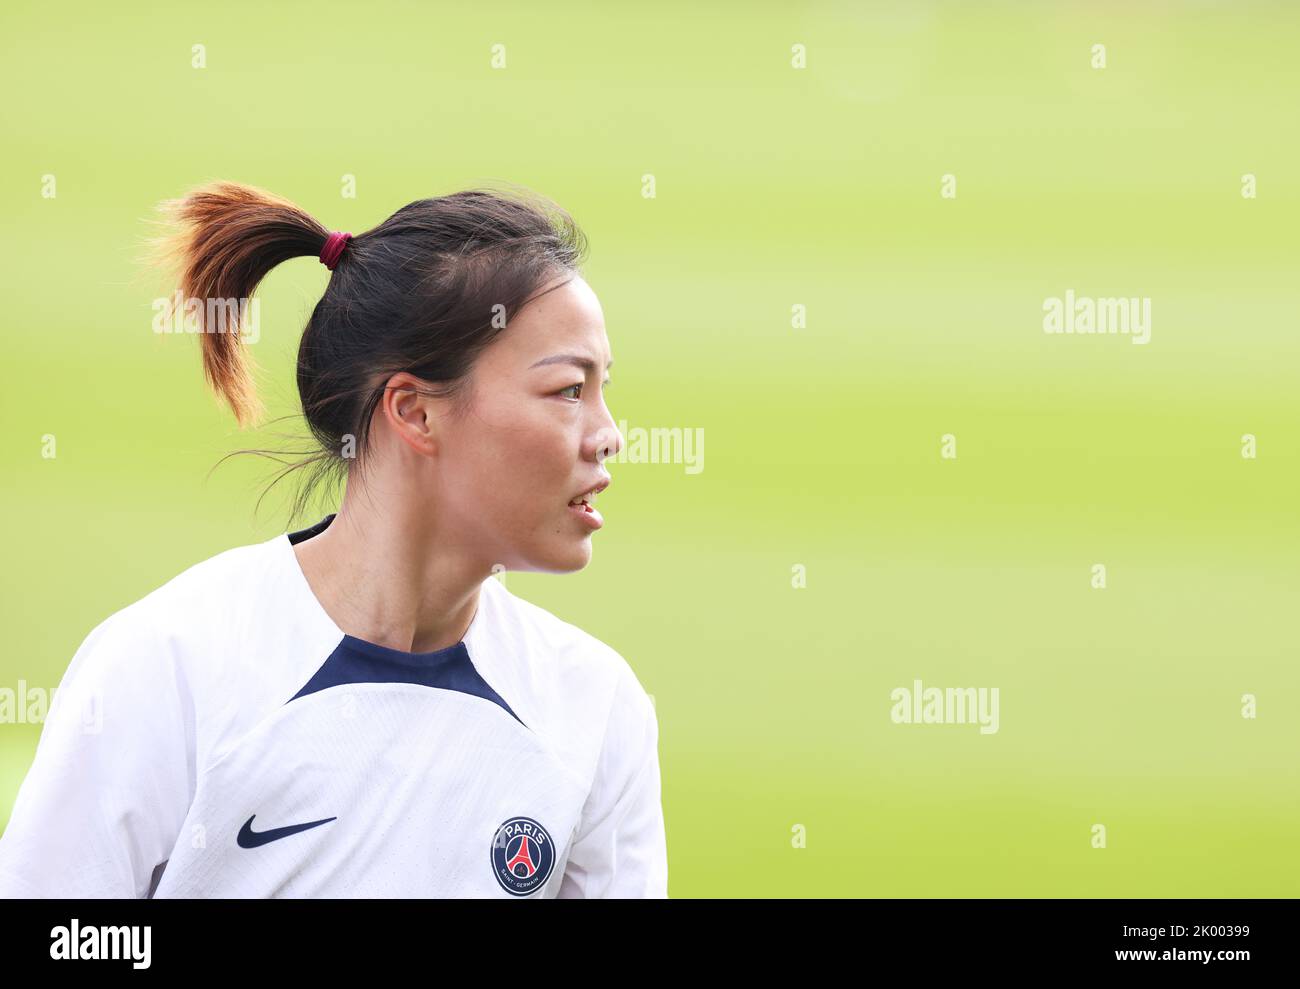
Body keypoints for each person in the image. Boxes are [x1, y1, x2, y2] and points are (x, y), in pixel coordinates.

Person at [0, 181, 667, 898]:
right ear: (414, 411)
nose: (609, 435)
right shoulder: (168, 666)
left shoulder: (595, 708)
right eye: (569, 389)